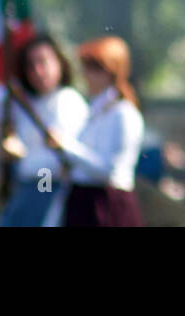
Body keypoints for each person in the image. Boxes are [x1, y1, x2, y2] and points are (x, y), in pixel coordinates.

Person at [0, 35, 89, 225]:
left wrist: (21, 156)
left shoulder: (68, 101)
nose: (38, 71)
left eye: (43, 62)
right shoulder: (24, 102)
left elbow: (55, 166)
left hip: (49, 189)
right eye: (31, 65)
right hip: (26, 189)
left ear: (59, 62)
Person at [46, 35, 145, 227]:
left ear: (110, 72)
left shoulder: (124, 114)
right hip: (83, 204)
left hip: (109, 207)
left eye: (94, 68)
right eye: (86, 68)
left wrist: (67, 146)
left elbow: (111, 171)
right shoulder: (93, 111)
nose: (86, 75)